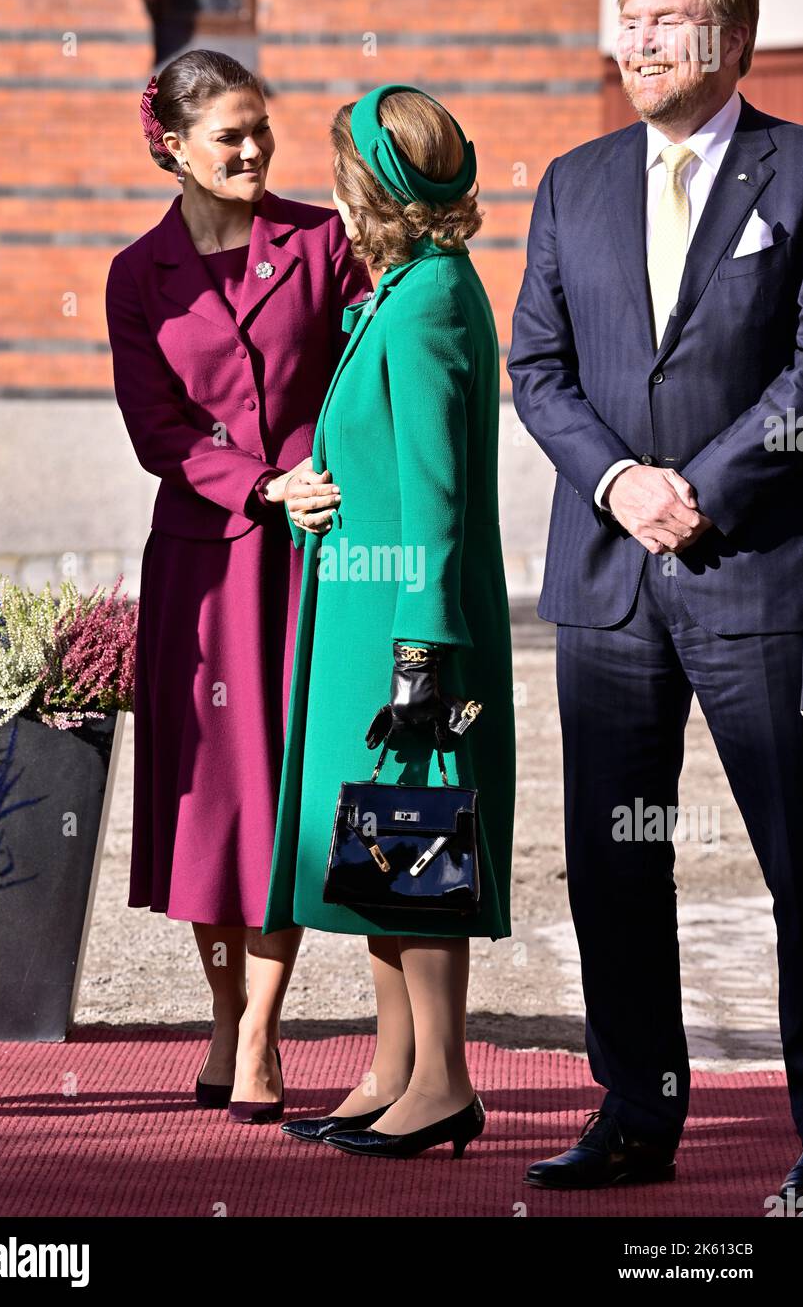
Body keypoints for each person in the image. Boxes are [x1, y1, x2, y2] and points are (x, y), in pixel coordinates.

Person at [507, 0, 803, 1196]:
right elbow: (539, 367)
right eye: (629, 24)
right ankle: (637, 1113)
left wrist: (709, 485)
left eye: (670, 25)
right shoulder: (572, 184)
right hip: (611, 580)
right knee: (619, 861)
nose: (639, 45)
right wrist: (624, 485)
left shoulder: (798, 171)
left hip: (760, 578)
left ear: (734, 44)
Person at [104, 50, 371, 1121]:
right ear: (170, 146)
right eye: (230, 135)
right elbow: (156, 431)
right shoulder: (136, 275)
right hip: (205, 560)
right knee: (215, 805)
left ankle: (261, 1030)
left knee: (283, 796)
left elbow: (371, 370)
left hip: (314, 552)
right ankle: (226, 1017)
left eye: (262, 128)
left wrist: (336, 477)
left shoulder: (321, 241)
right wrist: (257, 485)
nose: (255, 149)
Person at [262, 84, 516, 1159]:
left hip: (409, 620)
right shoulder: (407, 287)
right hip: (369, 603)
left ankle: (446, 1080)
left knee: (413, 839)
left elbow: (437, 488)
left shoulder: (426, 301)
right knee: (381, 838)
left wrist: (421, 651)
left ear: (368, 182)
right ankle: (394, 1064)